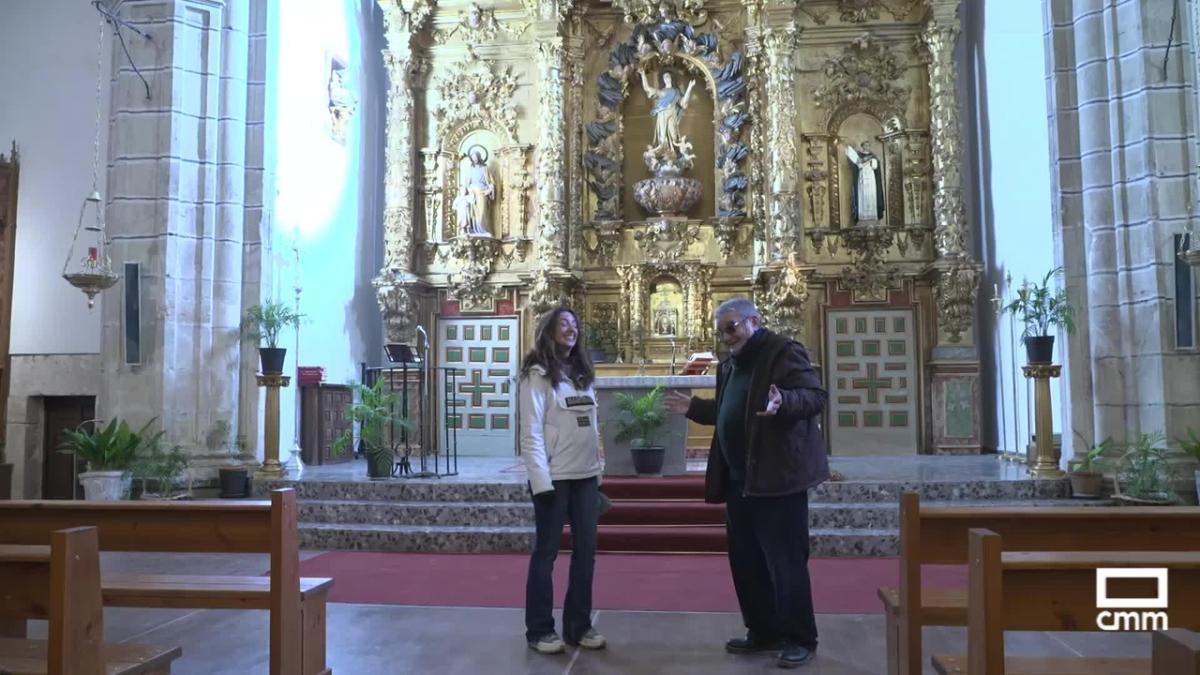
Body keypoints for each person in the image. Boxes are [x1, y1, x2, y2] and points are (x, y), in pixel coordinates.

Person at [664, 298, 829, 669]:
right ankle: (764, 631)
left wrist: (783, 402)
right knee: (747, 561)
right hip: (741, 479)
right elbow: (727, 409)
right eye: (721, 330)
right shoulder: (731, 364)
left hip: (777, 479)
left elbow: (815, 397)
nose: (726, 336)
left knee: (785, 563)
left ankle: (801, 638)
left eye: (732, 327)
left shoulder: (782, 351)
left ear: (754, 321)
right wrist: (692, 407)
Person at [519, 307, 607, 655]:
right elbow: (531, 433)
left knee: (586, 554)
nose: (571, 329)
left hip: (585, 476)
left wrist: (598, 472)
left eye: (574, 324)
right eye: (563, 324)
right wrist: (541, 481)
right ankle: (540, 630)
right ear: (549, 331)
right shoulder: (537, 374)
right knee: (547, 555)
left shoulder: (583, 373)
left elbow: (591, 428)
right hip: (554, 479)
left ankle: (578, 626)